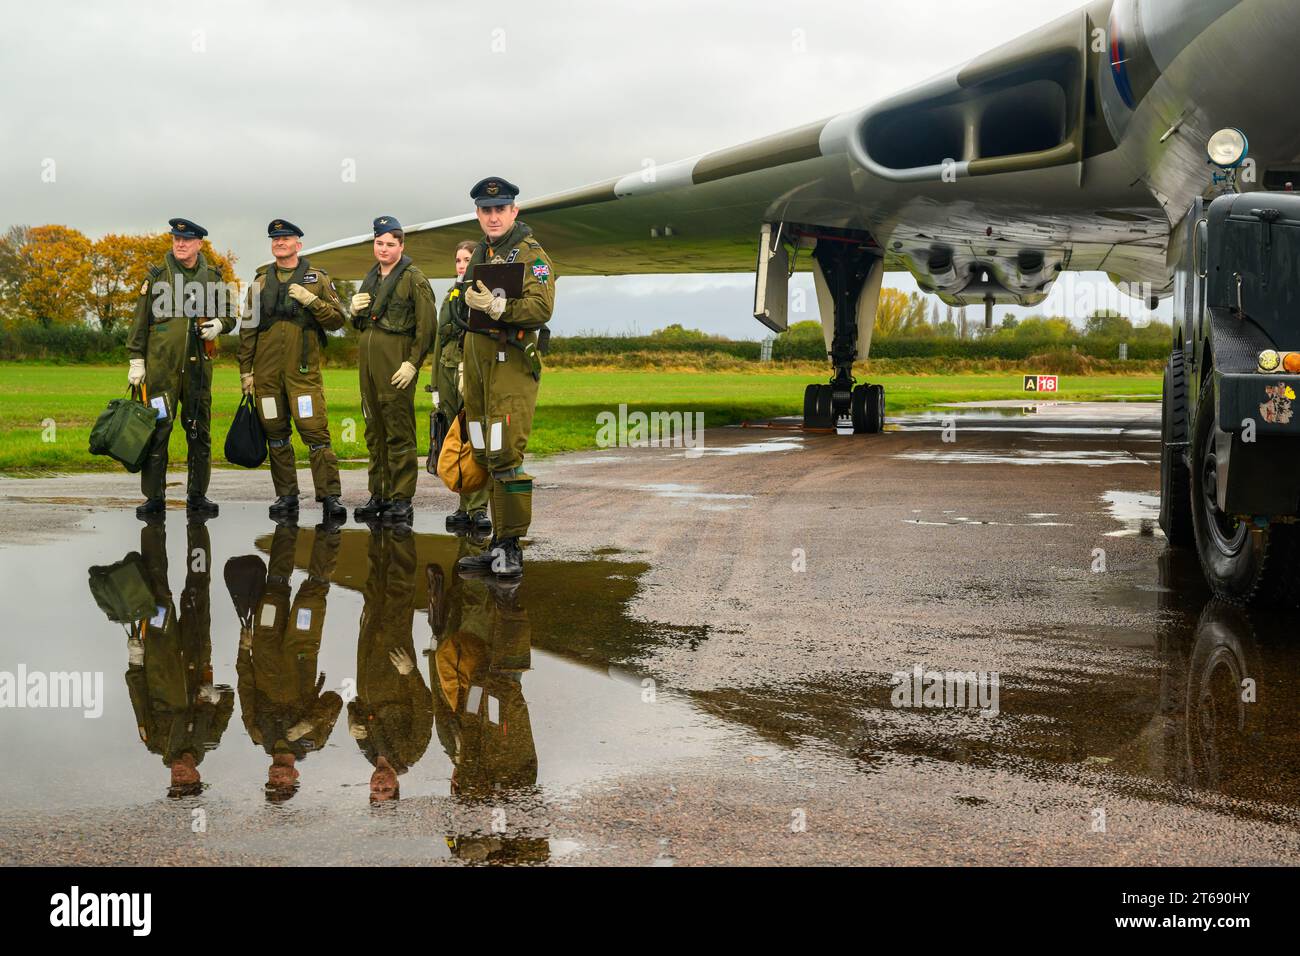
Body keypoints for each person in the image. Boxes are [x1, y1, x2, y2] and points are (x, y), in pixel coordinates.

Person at [451, 179, 556, 577]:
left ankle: (509, 548)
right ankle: (496, 543)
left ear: (514, 211)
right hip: (479, 364)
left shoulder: (531, 254)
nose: (493, 216)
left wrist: (499, 307)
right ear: (478, 214)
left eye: (500, 209)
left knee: (506, 453)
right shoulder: (482, 251)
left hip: (510, 364)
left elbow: (541, 308)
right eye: (486, 210)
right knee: (484, 450)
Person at [238, 219, 348, 524]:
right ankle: (286, 496)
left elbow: (337, 320)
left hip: (303, 374)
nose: (280, 242)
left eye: (286, 238)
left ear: (298, 244)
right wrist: (246, 371)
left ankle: (330, 496)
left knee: (315, 434)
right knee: (275, 434)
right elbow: (248, 329)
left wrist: (312, 301)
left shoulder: (317, 279)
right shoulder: (260, 283)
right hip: (267, 376)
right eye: (275, 239)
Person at [126, 218, 237, 519]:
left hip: (198, 370)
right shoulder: (157, 276)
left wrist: (219, 324)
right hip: (161, 370)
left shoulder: (213, 277)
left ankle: (197, 496)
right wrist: (136, 359)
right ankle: (154, 498)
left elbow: (230, 314)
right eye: (176, 239)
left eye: (186, 240)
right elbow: (139, 321)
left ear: (199, 244)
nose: (180, 244)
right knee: (157, 430)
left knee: (199, 431)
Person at [234, 521, 343, 802]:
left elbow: (245, 686)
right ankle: (330, 530)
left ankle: (286, 523)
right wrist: (309, 723)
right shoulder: (313, 740)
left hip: (264, 648)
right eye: (282, 783)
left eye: (272, 782)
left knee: (274, 588)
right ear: (295, 776)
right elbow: (334, 701)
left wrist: (244, 650)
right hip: (301, 653)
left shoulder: (258, 734)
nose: (276, 778)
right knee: (313, 594)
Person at [126, 518, 234, 797]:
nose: (178, 776)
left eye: (175, 781)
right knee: (198, 589)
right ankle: (198, 524)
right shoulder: (209, 740)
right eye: (184, 780)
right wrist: (216, 697)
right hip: (197, 651)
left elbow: (138, 697)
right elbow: (229, 699)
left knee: (157, 592)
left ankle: (153, 524)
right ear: (197, 775)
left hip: (160, 655)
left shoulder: (155, 743)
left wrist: (135, 661)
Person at [348, 217, 437, 527]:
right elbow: (360, 323)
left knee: (398, 429)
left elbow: (427, 327)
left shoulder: (413, 279)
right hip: (368, 363)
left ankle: (401, 498)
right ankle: (379, 494)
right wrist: (353, 311)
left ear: (401, 246)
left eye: (389, 244)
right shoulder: (371, 277)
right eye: (379, 243)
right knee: (374, 430)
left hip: (396, 361)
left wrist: (413, 363)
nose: (383, 249)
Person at [348, 524, 432, 803]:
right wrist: (410, 672)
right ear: (397, 787)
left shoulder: (368, 752)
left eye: (375, 790)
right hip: (395, 664)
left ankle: (378, 530)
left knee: (374, 594)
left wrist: (351, 719)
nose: (379, 785)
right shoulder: (411, 754)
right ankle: (401, 529)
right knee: (398, 597)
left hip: (368, 659)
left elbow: (357, 708)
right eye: (386, 790)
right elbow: (425, 707)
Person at [432, 240, 491, 535]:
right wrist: (435, 384)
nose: (461, 265)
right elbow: (439, 340)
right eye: (458, 260)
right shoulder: (450, 295)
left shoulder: (483, 295)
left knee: (476, 438)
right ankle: (463, 505)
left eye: (467, 260)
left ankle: (478, 508)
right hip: (448, 370)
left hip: (473, 371)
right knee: (454, 439)